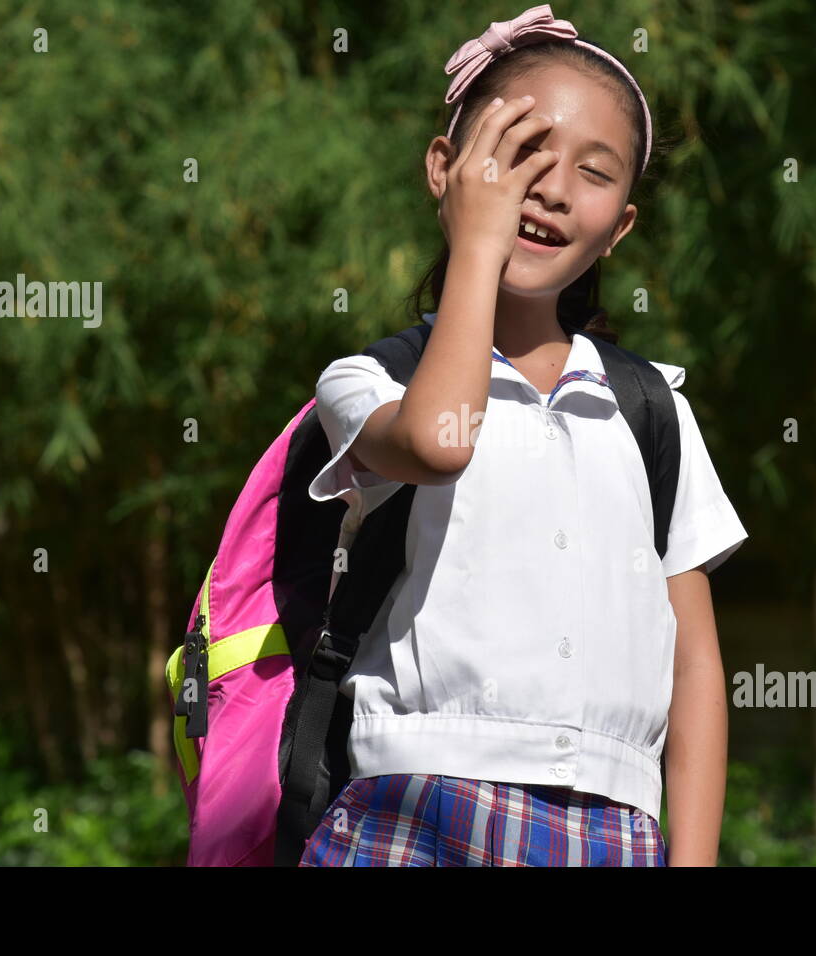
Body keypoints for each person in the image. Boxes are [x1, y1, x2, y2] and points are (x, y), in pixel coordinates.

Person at [298, 4, 747, 866]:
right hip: (414, 811)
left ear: (619, 227)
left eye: (594, 171)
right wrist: (476, 243)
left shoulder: (654, 411)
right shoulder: (367, 382)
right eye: (523, 151)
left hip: (616, 828)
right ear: (447, 170)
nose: (549, 186)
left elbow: (694, 671)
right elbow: (438, 443)